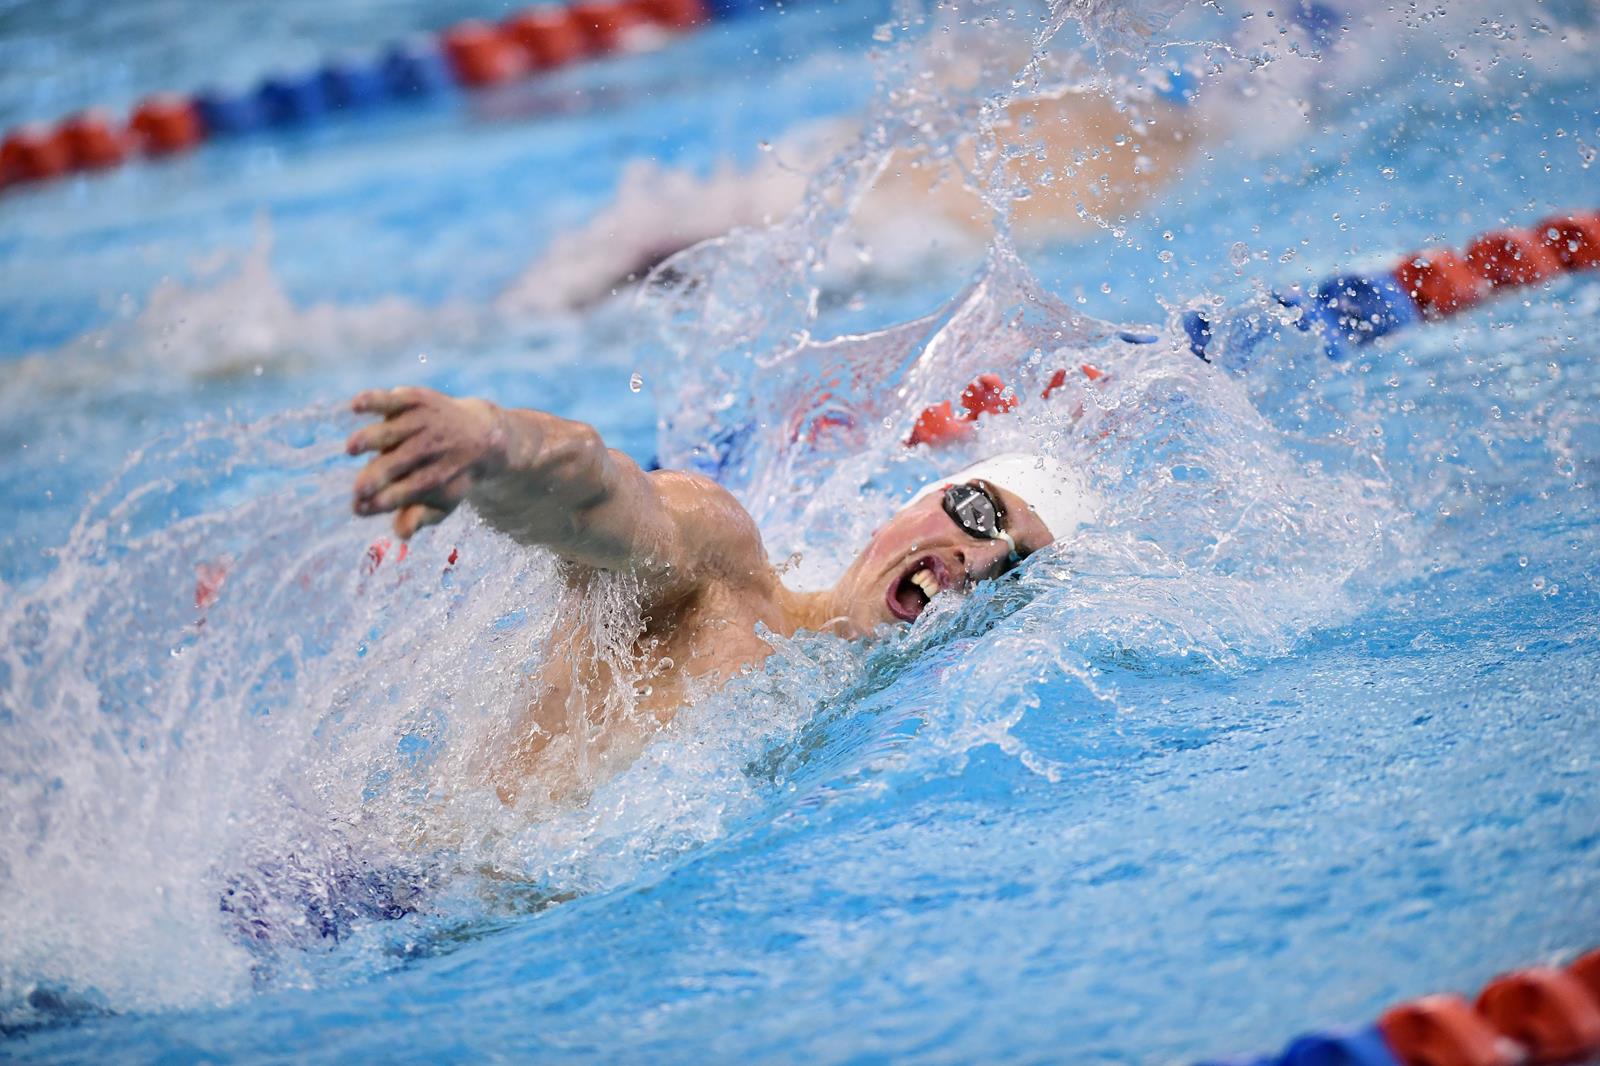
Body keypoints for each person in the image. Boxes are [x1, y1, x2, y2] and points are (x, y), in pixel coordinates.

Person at [347, 385, 1092, 800]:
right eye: (980, 512)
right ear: (908, 508)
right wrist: (492, 442)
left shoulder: (849, 729)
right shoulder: (725, 571)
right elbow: (602, 495)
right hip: (373, 899)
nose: (982, 557)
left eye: (1016, 566)